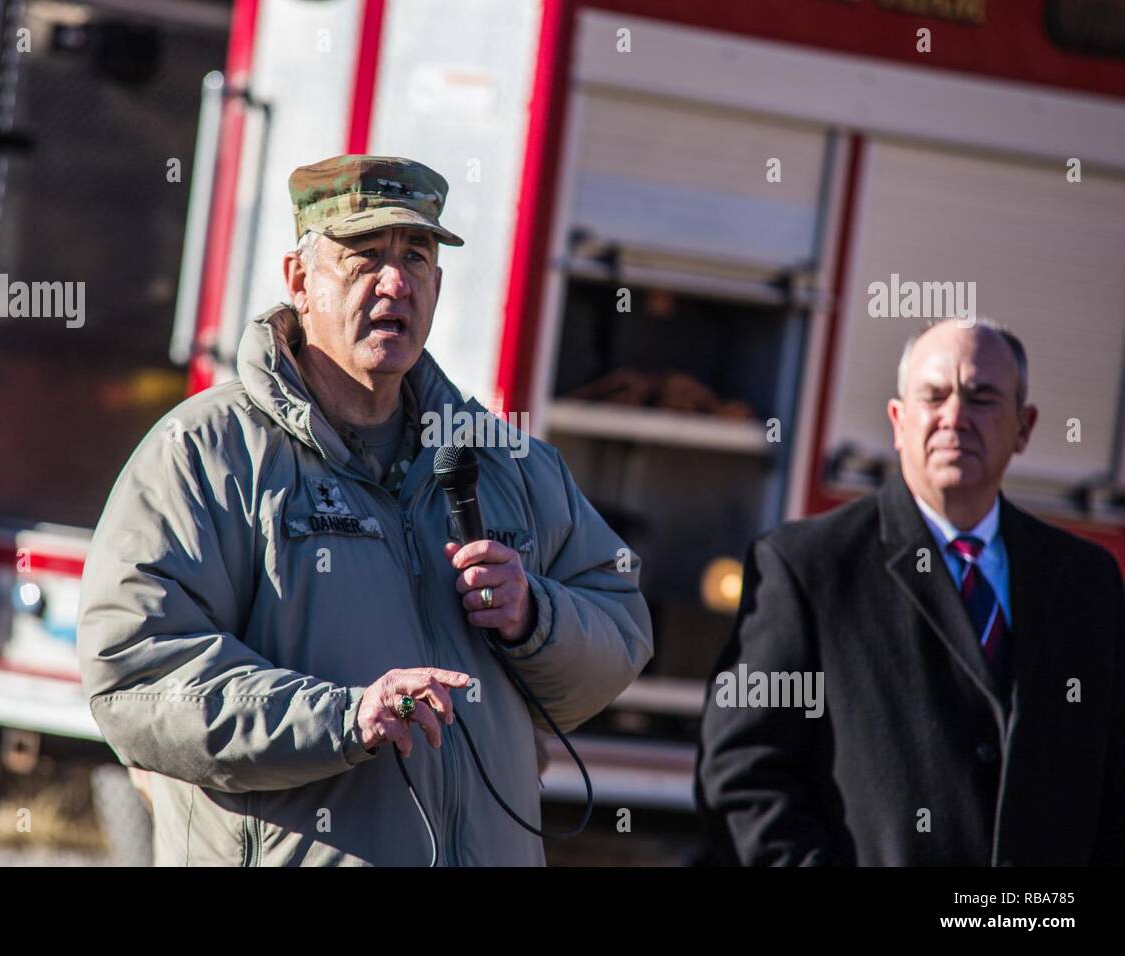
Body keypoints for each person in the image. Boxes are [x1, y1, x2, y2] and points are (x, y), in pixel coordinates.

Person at [76, 154, 653, 866]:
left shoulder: (506, 462)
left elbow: (621, 626)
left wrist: (535, 615)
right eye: (363, 256)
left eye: (416, 256)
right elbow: (138, 678)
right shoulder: (204, 454)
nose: (395, 282)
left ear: (438, 285)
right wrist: (343, 716)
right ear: (299, 280)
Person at [696, 318, 1124, 865]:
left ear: (1024, 427)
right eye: (933, 396)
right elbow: (742, 773)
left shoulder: (1086, 582)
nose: (955, 418)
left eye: (982, 398)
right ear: (898, 421)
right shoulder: (808, 568)